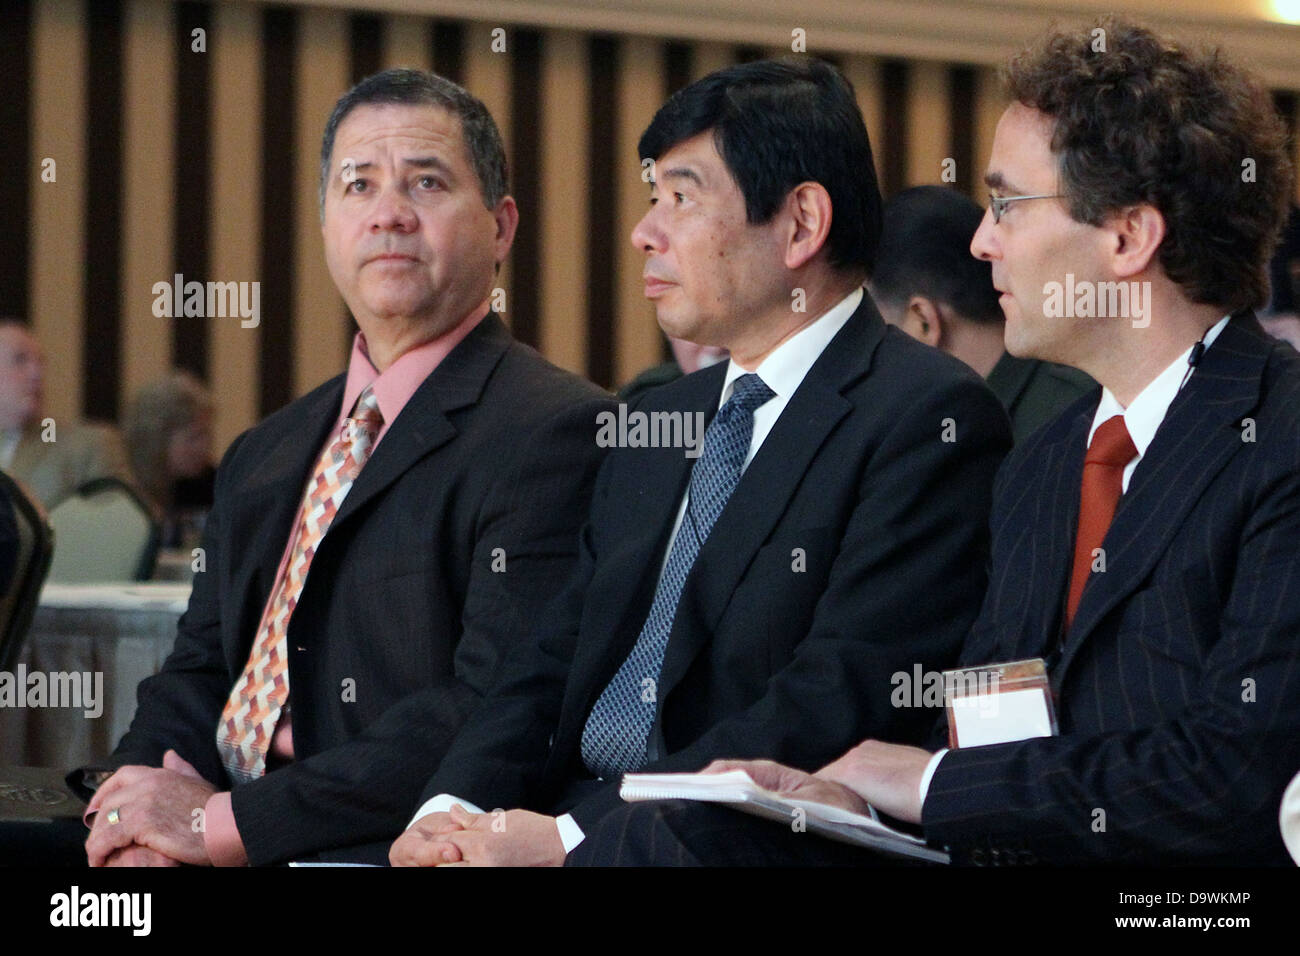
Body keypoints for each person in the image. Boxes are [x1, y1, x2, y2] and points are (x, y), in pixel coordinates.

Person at [576, 17, 1300, 866]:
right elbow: (994, 722)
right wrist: (847, 801)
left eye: (1007, 206)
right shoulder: (1047, 460)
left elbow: (1237, 774)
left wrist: (927, 786)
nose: (981, 240)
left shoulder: (1278, 436)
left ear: (1127, 237)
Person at [390, 57, 1011, 867]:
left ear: (800, 225)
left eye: (682, 197)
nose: (646, 231)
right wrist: (449, 809)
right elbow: (552, 658)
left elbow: (832, 699)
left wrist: (574, 842)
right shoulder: (658, 418)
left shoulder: (927, 415)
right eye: (654, 199)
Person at [73, 68, 613, 867]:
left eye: (426, 182)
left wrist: (217, 827)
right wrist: (134, 818)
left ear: (502, 227)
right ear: (326, 223)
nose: (389, 213)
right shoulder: (269, 448)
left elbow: (486, 711)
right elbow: (195, 672)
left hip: (370, 848)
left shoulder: (557, 430)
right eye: (358, 185)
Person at [871, 186, 1094, 442]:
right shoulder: (1069, 396)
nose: (870, 354)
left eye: (876, 329)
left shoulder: (1061, 424)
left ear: (923, 322)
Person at [0, 319, 131, 510]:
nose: (36, 373)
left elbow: (117, 531)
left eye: (40, 363)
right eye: (20, 360)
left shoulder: (89, 445)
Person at [123, 371, 216, 548]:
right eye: (194, 437)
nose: (205, 447)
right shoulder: (125, 493)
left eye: (207, 435)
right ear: (157, 440)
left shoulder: (214, 486)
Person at [617, 336, 728, 402]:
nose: (715, 350)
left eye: (729, 331)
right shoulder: (643, 397)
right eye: (700, 332)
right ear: (669, 329)